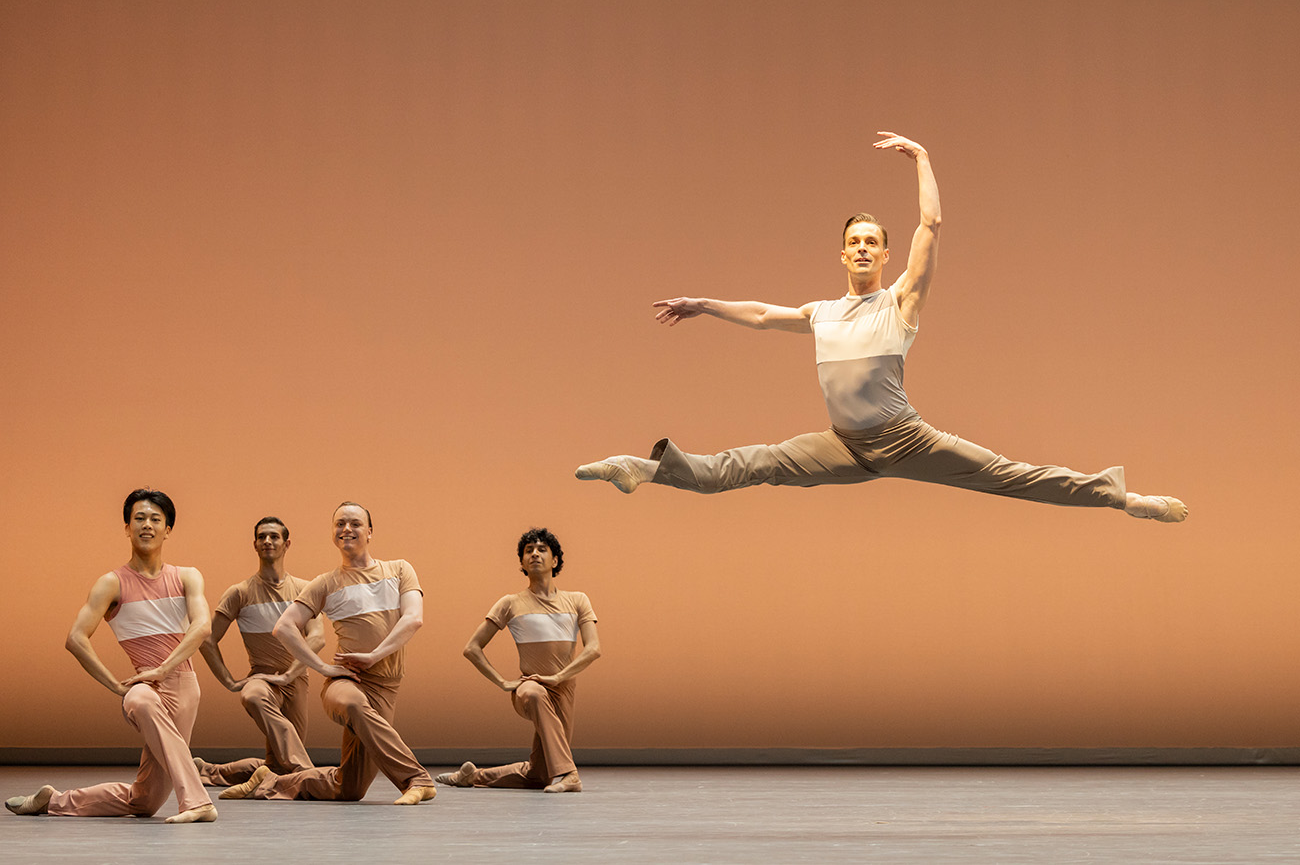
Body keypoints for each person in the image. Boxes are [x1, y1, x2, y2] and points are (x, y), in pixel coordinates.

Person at [577, 131, 1187, 523]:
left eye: (872, 241)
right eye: (854, 243)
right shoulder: (823, 312)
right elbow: (764, 316)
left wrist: (921, 158)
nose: (863, 249)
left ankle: (1122, 499)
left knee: (1009, 477)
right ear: (842, 255)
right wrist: (705, 304)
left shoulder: (901, 304)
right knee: (749, 465)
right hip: (842, 444)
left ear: (884, 255)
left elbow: (932, 228)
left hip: (904, 438)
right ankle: (644, 469)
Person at [5, 489, 217, 823]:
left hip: (183, 686)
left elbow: (202, 627)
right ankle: (197, 802)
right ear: (127, 527)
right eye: (139, 518)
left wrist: (164, 669)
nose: (146, 525)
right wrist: (118, 687)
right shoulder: (111, 584)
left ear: (168, 529)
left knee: (144, 801)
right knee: (140, 700)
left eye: (155, 519)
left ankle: (54, 801)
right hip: (145, 686)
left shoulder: (187, 576)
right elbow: (76, 638)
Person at [218, 502, 436, 805]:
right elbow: (284, 627)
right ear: (334, 534)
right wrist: (323, 668)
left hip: (386, 685)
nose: (347, 529)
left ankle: (269, 783)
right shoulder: (327, 583)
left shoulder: (399, 569)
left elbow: (413, 618)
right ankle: (417, 779)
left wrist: (375, 655)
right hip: (347, 682)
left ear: (370, 532)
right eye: (340, 524)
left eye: (355, 524)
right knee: (353, 702)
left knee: (349, 788)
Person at [436, 528, 599, 794]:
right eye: (528, 550)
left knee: (539, 774)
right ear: (522, 562)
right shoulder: (510, 603)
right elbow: (472, 648)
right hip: (529, 688)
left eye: (542, 549)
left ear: (555, 560)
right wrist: (502, 682)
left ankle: (470, 776)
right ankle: (570, 774)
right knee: (535, 693)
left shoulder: (578, 600)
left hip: (563, 689)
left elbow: (593, 649)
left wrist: (558, 677)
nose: (534, 553)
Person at [194, 517, 323, 786]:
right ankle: (311, 774)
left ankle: (210, 771)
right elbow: (206, 639)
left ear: (287, 544)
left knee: (279, 765)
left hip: (296, 680)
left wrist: (289, 675)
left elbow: (317, 638)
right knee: (252, 696)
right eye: (262, 536)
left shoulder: (303, 590)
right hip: (263, 679)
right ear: (254, 544)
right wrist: (229, 681)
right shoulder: (239, 593)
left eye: (274, 536)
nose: (267, 541)